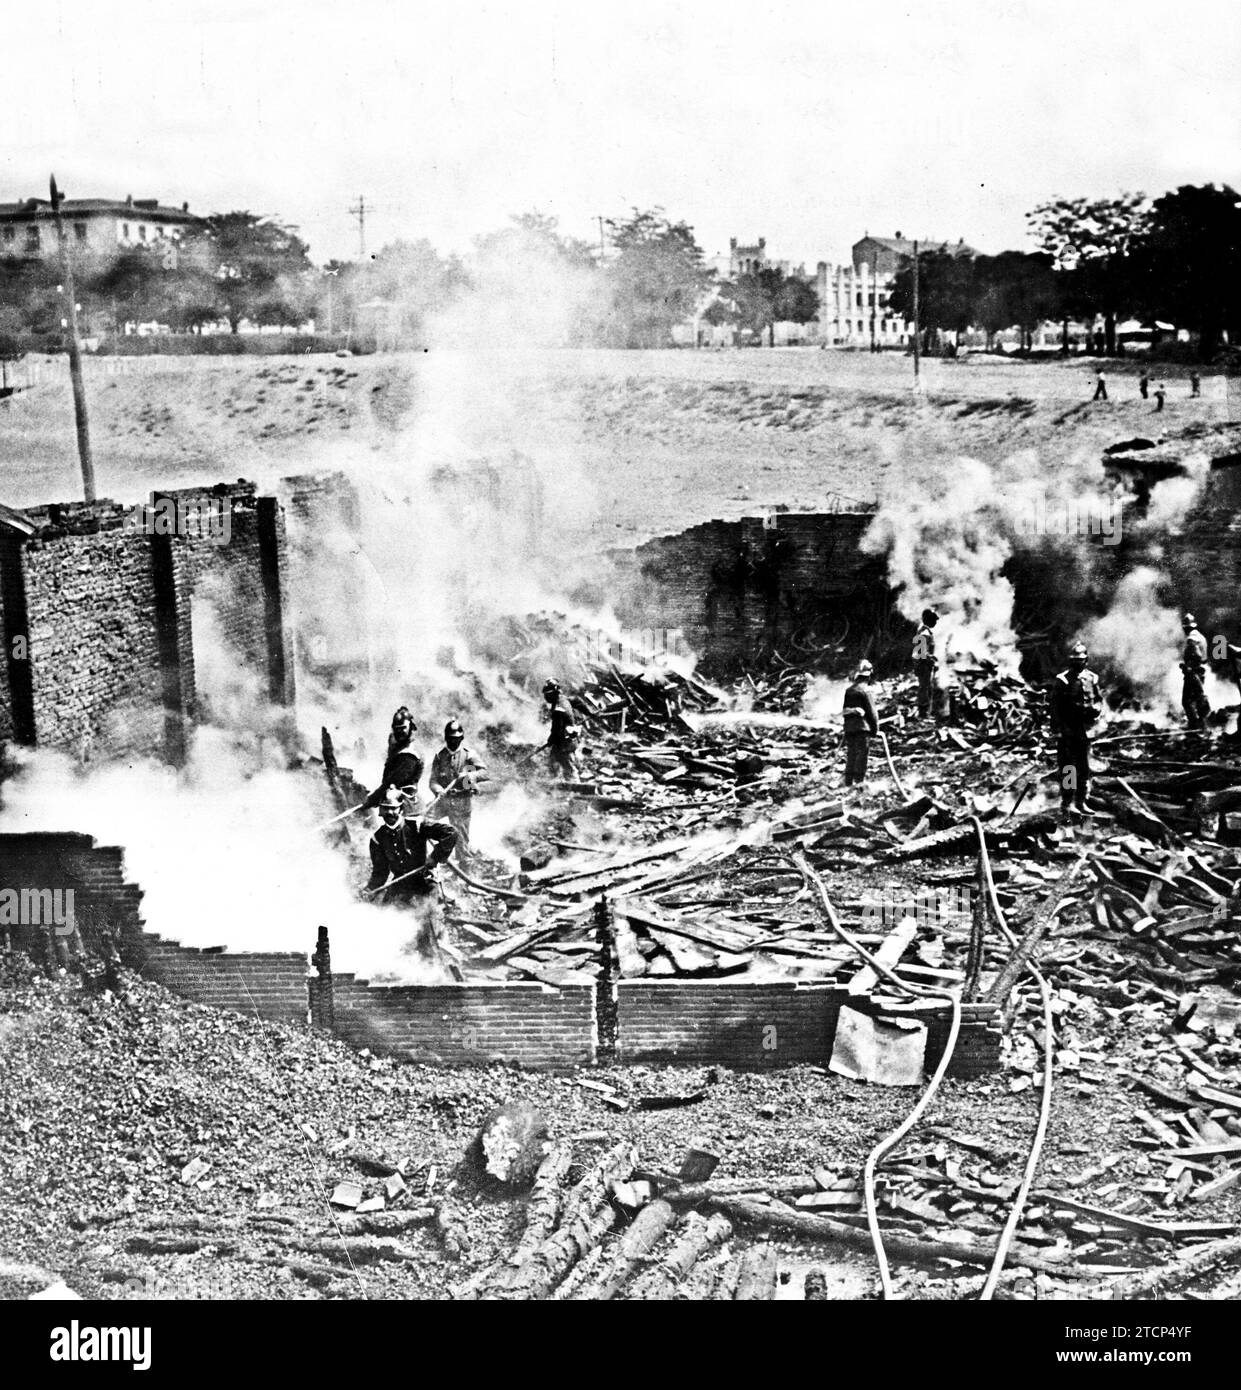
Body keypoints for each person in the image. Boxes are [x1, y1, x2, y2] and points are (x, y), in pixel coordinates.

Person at [366, 788, 457, 957]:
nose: (390, 812)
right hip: (401, 885)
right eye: (386, 808)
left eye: (394, 808)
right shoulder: (378, 839)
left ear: (401, 809)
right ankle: (395, 964)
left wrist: (434, 857)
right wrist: (368, 890)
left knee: (423, 924)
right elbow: (380, 874)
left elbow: (451, 833)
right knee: (385, 921)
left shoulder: (416, 825)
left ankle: (432, 964)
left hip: (424, 883)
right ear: (381, 811)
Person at [1049, 641, 1102, 822]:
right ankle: (1067, 801)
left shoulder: (1092, 678)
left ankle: (1081, 801)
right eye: (1075, 660)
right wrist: (1058, 729)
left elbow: (1099, 699)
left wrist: (1096, 710)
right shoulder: (1062, 680)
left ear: (1086, 660)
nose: (1078, 663)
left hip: (1085, 730)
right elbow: (1054, 707)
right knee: (1068, 768)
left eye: (1081, 660)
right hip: (1068, 730)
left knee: (1084, 768)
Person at [429, 719, 488, 856]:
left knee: (461, 841)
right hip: (444, 800)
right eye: (450, 738)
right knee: (425, 820)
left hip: (462, 801)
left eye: (456, 738)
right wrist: (438, 790)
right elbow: (432, 781)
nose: (453, 741)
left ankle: (464, 867)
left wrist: (470, 775)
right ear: (445, 738)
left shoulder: (469, 755)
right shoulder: (440, 756)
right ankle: (435, 855)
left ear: (461, 738)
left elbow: (485, 773)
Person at [364, 706, 424, 809]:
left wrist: (372, 800)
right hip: (393, 800)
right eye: (397, 729)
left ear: (410, 727)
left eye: (403, 728)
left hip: (406, 805)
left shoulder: (409, 754)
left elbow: (393, 781)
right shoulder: (398, 744)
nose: (400, 732)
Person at [842, 660, 879, 787]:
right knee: (862, 755)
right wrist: (875, 730)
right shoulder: (866, 691)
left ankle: (848, 782)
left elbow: (845, 710)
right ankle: (859, 783)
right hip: (863, 729)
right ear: (869, 676)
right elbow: (872, 713)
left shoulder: (849, 690)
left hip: (849, 729)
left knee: (851, 754)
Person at [542, 679, 581, 780]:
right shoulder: (563, 699)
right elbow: (578, 702)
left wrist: (551, 740)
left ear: (554, 693)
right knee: (552, 762)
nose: (546, 697)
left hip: (565, 743)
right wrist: (590, 713)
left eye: (548, 694)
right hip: (565, 740)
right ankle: (553, 785)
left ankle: (577, 787)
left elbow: (557, 729)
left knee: (568, 766)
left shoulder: (558, 708)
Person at [1180, 613, 1211, 732]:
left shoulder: (1191, 638)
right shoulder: (1201, 636)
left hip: (1193, 673)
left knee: (1186, 700)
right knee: (1198, 698)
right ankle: (1203, 725)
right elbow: (1204, 658)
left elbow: (1197, 654)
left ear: (1186, 628)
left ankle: (1194, 725)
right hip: (1201, 671)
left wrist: (1188, 666)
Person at [912, 608, 940, 719]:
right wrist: (932, 659)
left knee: (925, 687)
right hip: (924, 665)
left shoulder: (922, 630)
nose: (935, 622)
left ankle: (925, 712)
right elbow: (920, 652)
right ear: (928, 620)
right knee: (925, 687)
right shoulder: (925, 633)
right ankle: (923, 714)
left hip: (923, 664)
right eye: (934, 620)